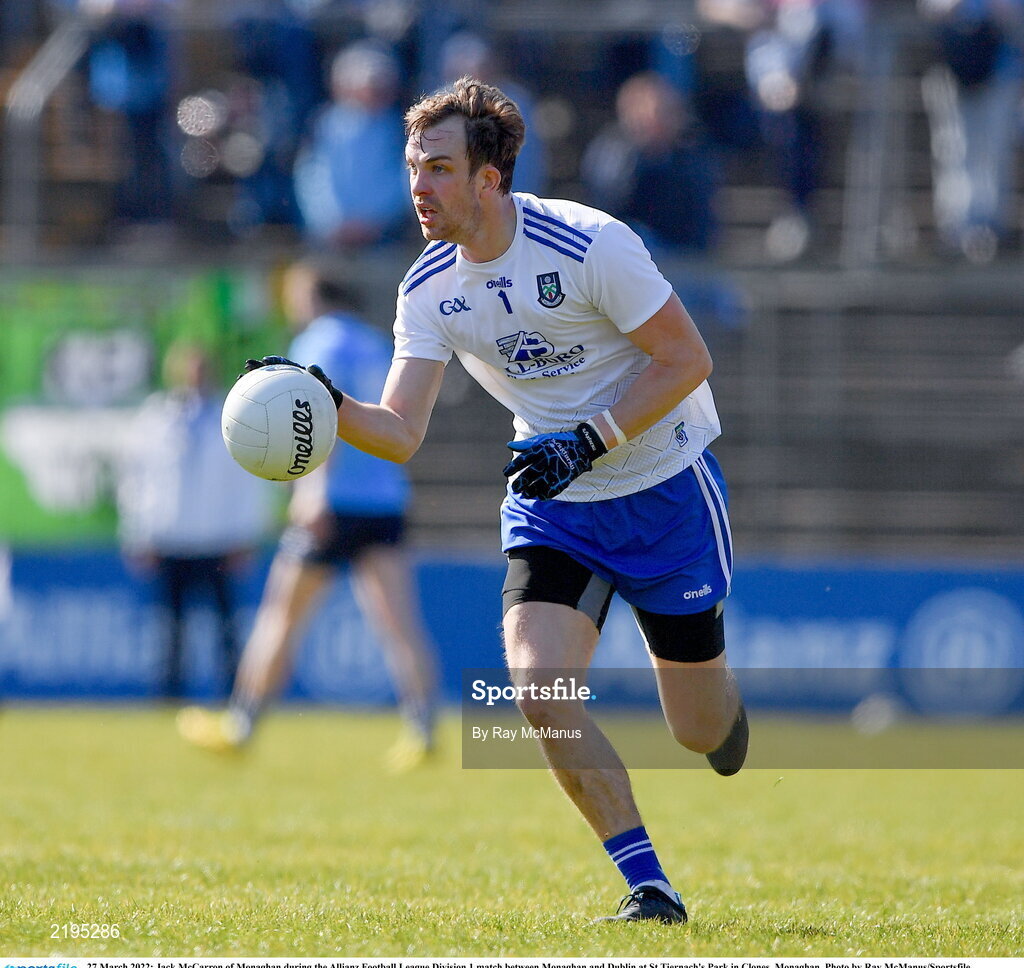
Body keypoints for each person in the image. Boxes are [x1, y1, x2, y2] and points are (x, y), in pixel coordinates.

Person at [242, 76, 747, 923]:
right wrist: (322, 401)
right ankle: (649, 886)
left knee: (698, 730)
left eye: (439, 168)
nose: (419, 188)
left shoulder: (588, 244)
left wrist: (589, 441)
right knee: (537, 687)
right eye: (413, 168)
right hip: (555, 507)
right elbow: (401, 431)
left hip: (665, 490)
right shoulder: (428, 287)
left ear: (490, 177)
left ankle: (723, 719)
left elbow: (687, 359)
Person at [177, 263, 439, 773]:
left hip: (334, 501)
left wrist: (312, 493)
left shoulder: (318, 342)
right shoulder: (373, 342)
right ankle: (424, 727)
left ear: (313, 295)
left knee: (282, 615)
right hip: (384, 498)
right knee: (399, 622)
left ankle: (241, 724)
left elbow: (312, 420)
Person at [117, 341, 273, 699]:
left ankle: (236, 698)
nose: (196, 376)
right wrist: (137, 534)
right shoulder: (154, 419)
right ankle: (168, 698)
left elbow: (247, 480)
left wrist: (247, 533)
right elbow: (134, 480)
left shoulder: (232, 417)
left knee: (226, 629)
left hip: (218, 539)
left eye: (203, 368)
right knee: (171, 628)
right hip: (170, 539)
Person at [292, 40, 410, 248]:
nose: (374, 94)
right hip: (330, 236)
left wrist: (373, 222)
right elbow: (313, 175)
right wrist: (332, 220)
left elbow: (404, 177)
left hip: (384, 236)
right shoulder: (325, 124)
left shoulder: (398, 127)